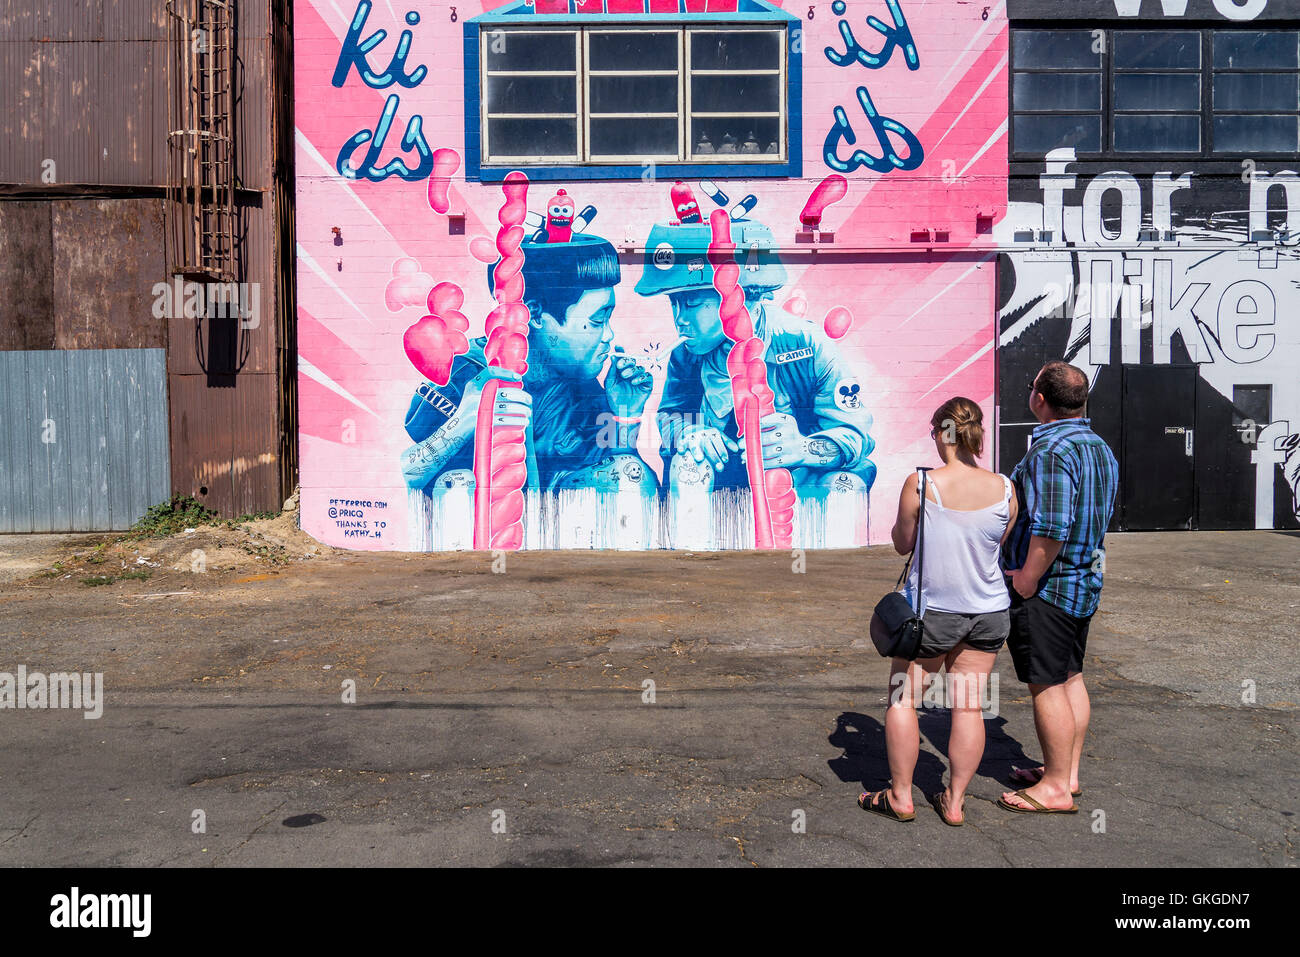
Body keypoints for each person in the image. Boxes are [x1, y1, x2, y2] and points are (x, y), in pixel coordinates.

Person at [859, 398, 1018, 825]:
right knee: (968, 706)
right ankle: (954, 801)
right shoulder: (1004, 486)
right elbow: (996, 543)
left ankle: (901, 796)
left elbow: (902, 543)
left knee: (903, 699)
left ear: (940, 433)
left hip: (933, 615)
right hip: (989, 612)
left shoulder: (921, 484)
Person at [634, 219, 877, 497]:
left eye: (691, 304)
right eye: (674, 304)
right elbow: (671, 415)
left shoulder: (806, 344)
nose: (680, 319)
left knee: (844, 488)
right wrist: (690, 434)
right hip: (724, 482)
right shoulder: (685, 356)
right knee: (688, 467)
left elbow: (855, 433)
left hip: (794, 483)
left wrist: (804, 448)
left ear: (741, 295)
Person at [400, 234, 656, 496]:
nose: (608, 336)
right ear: (534, 315)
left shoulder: (583, 389)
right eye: (596, 321)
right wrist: (465, 419)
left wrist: (625, 414)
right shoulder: (466, 375)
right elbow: (404, 474)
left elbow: (621, 476)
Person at [998, 360, 1118, 815]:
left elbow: (1051, 526)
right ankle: (1064, 773)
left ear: (1040, 399)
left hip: (1048, 589)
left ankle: (1053, 789)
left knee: (1046, 683)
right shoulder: (1098, 446)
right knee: (1070, 677)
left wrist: (1027, 578)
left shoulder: (1049, 451)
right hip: (1083, 582)